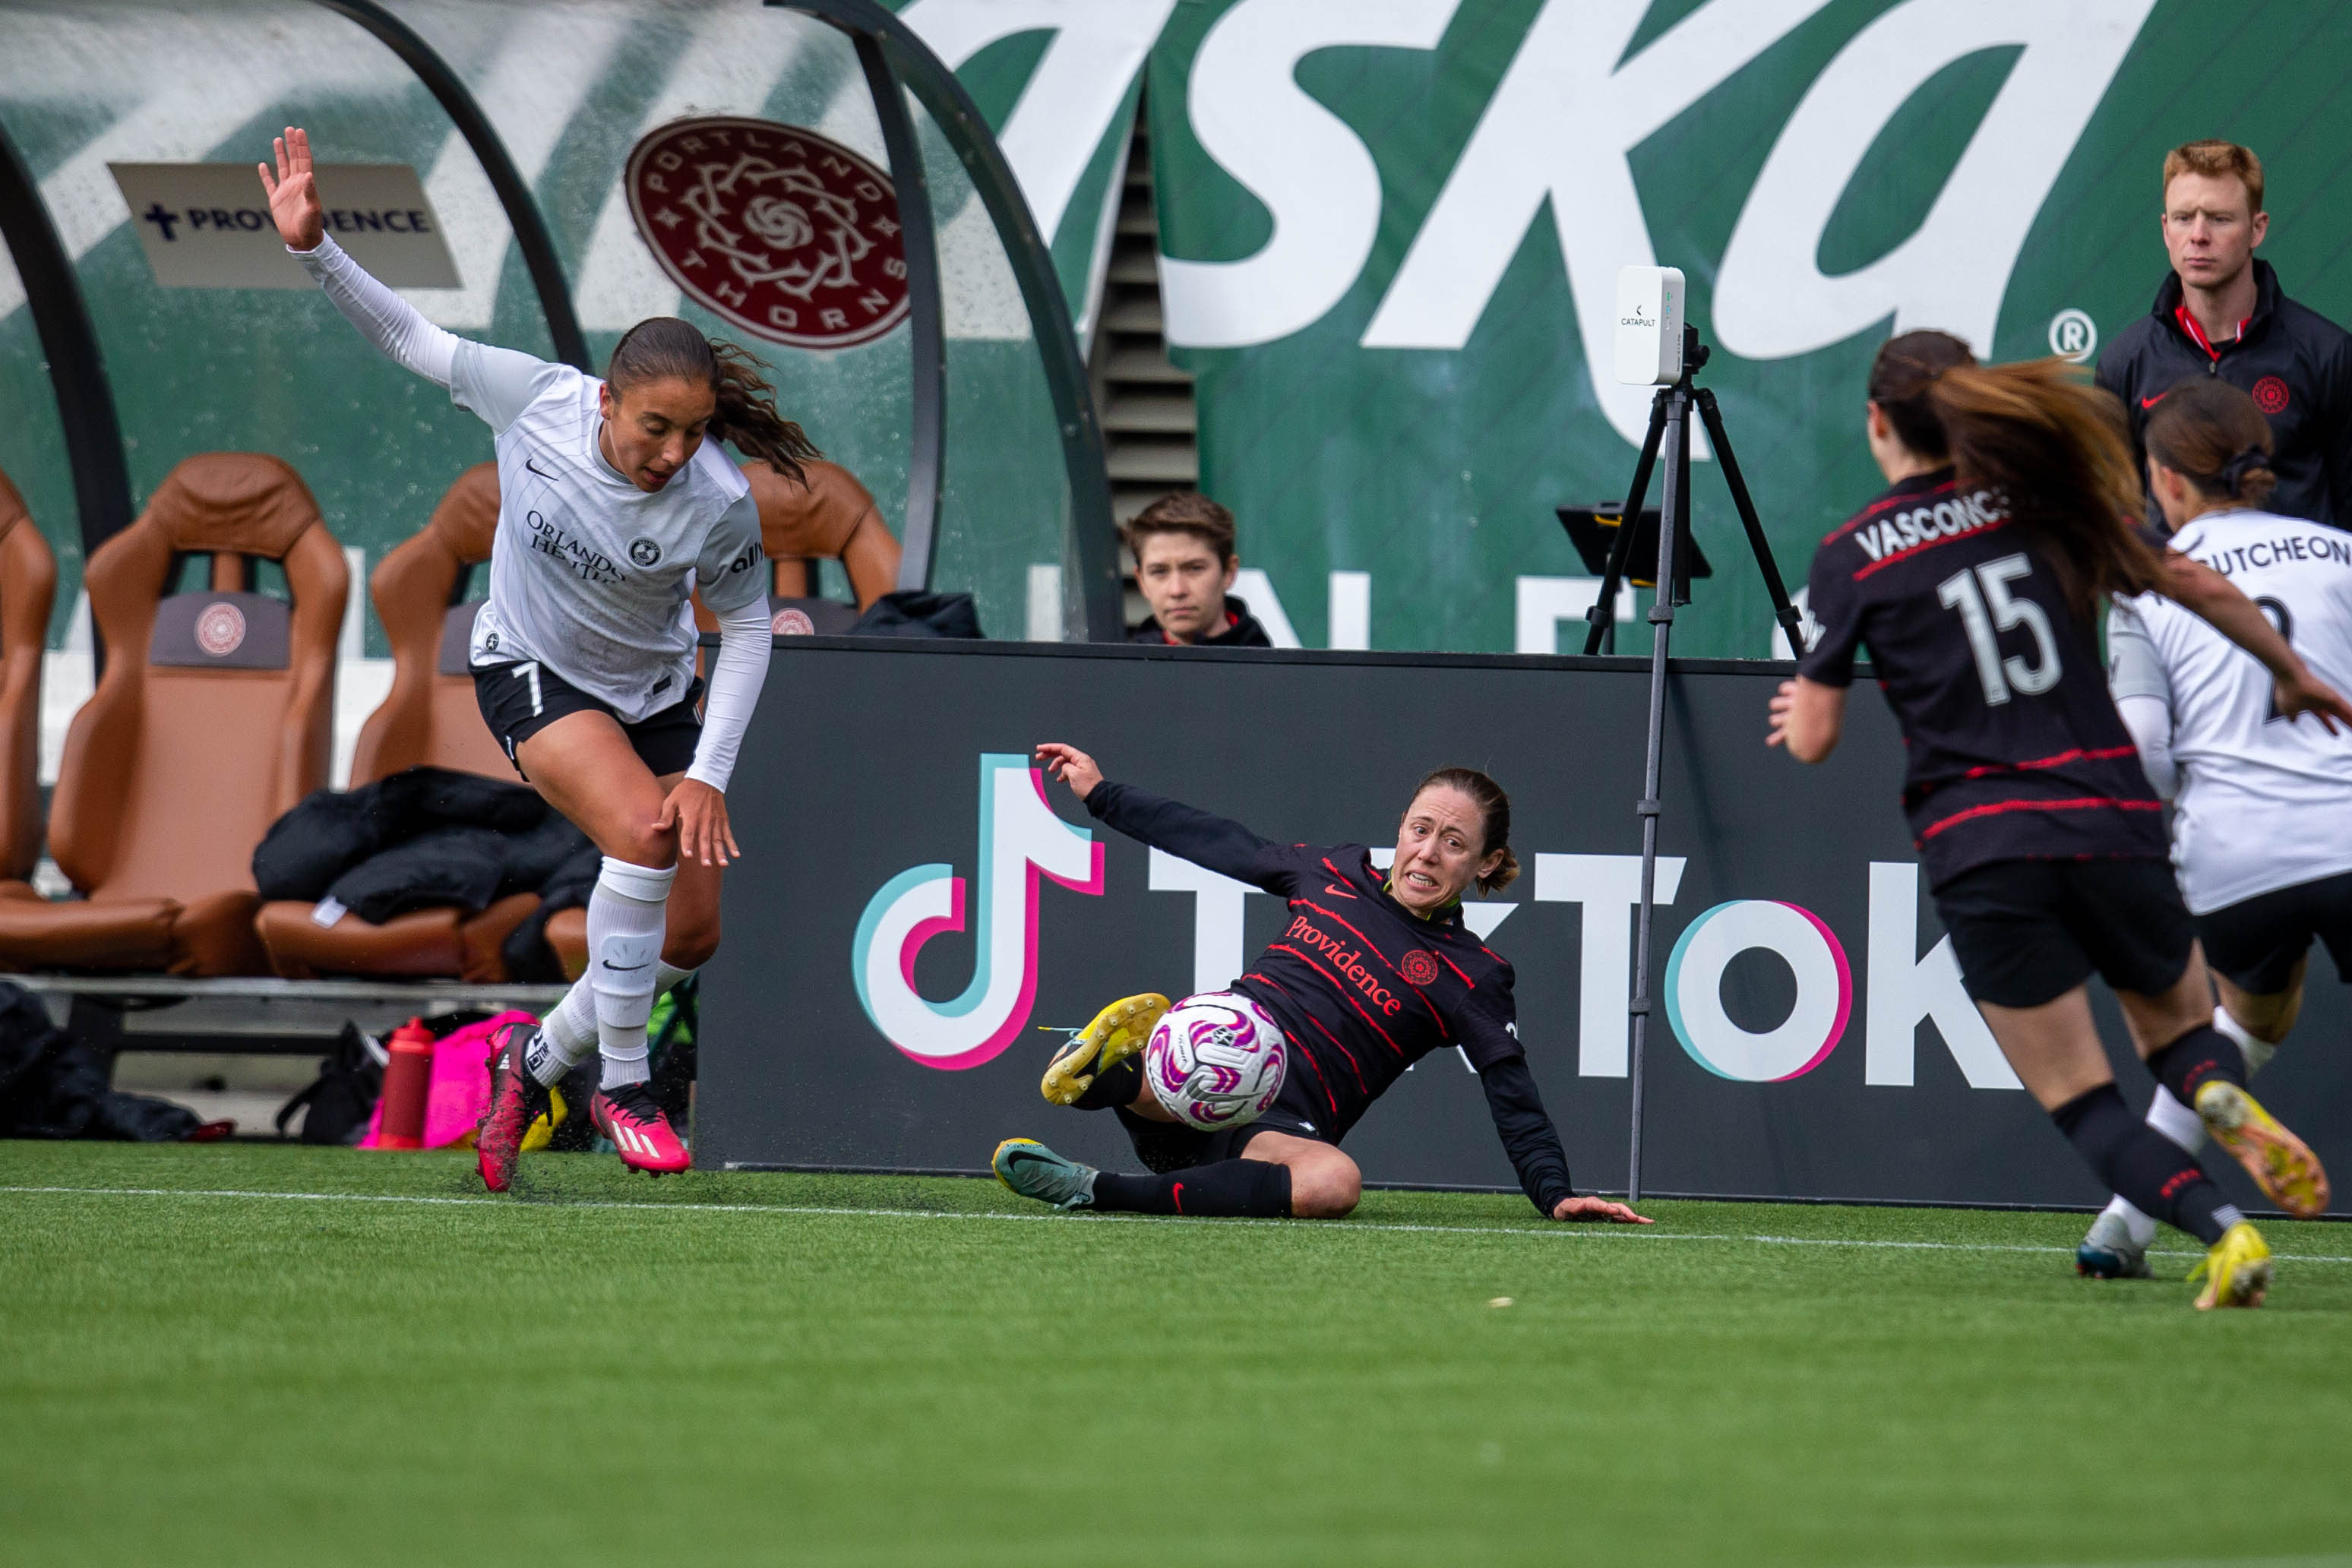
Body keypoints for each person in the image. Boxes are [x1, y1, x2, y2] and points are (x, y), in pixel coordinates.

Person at [262, 127, 798, 1188]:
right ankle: (626, 1087)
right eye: (655, 428)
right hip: (530, 669)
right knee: (642, 835)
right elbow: (410, 336)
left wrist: (708, 771)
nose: (673, 453)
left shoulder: (719, 502)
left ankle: (536, 1059)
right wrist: (314, 249)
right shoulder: (533, 399)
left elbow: (744, 630)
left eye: (694, 433)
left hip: (652, 693)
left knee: (691, 937)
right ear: (605, 400)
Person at [1769, 330, 2349, 1309]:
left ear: (1877, 423)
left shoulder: (1853, 551)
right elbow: (2195, 582)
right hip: (2112, 817)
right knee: (2182, 1039)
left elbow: (1816, 738)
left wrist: (1799, 708)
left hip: (1985, 843)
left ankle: (2225, 1230)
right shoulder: (2048, 504)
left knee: (2083, 1101)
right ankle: (2214, 1086)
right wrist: (2291, 672)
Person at [990, 748, 1646, 1225]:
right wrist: (1103, 795)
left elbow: (1514, 1096)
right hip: (1191, 1086)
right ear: (1401, 826)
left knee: (1335, 1181)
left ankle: (1092, 1186)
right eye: (1421, 830)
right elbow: (1219, 842)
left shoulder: (1472, 975)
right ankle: (1111, 1075)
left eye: (1454, 843)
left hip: (1270, 1135)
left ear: (1487, 862)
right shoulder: (1336, 873)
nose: (1427, 852)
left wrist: (1556, 1192)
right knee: (1210, 1046)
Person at [2078, 379, 2352, 1278]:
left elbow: (2146, 751)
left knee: (2249, 1021)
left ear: (2164, 479)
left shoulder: (2146, 584)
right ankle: (2127, 1220)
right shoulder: (2342, 555)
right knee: (2252, 1022)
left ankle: (2125, 1225)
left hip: (2233, 856)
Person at [2094, 139, 2352, 529]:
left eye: (2219, 219)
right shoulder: (2124, 363)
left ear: (2257, 229)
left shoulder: (2328, 354)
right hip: (2176, 572)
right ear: (2165, 229)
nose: (2198, 235)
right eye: (2184, 218)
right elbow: (2119, 516)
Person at [1124, 493, 1272, 646]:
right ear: (1141, 581)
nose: (1177, 590)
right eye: (1159, 572)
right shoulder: (1123, 662)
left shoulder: (1270, 661)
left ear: (1229, 571)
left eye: (1194, 568)